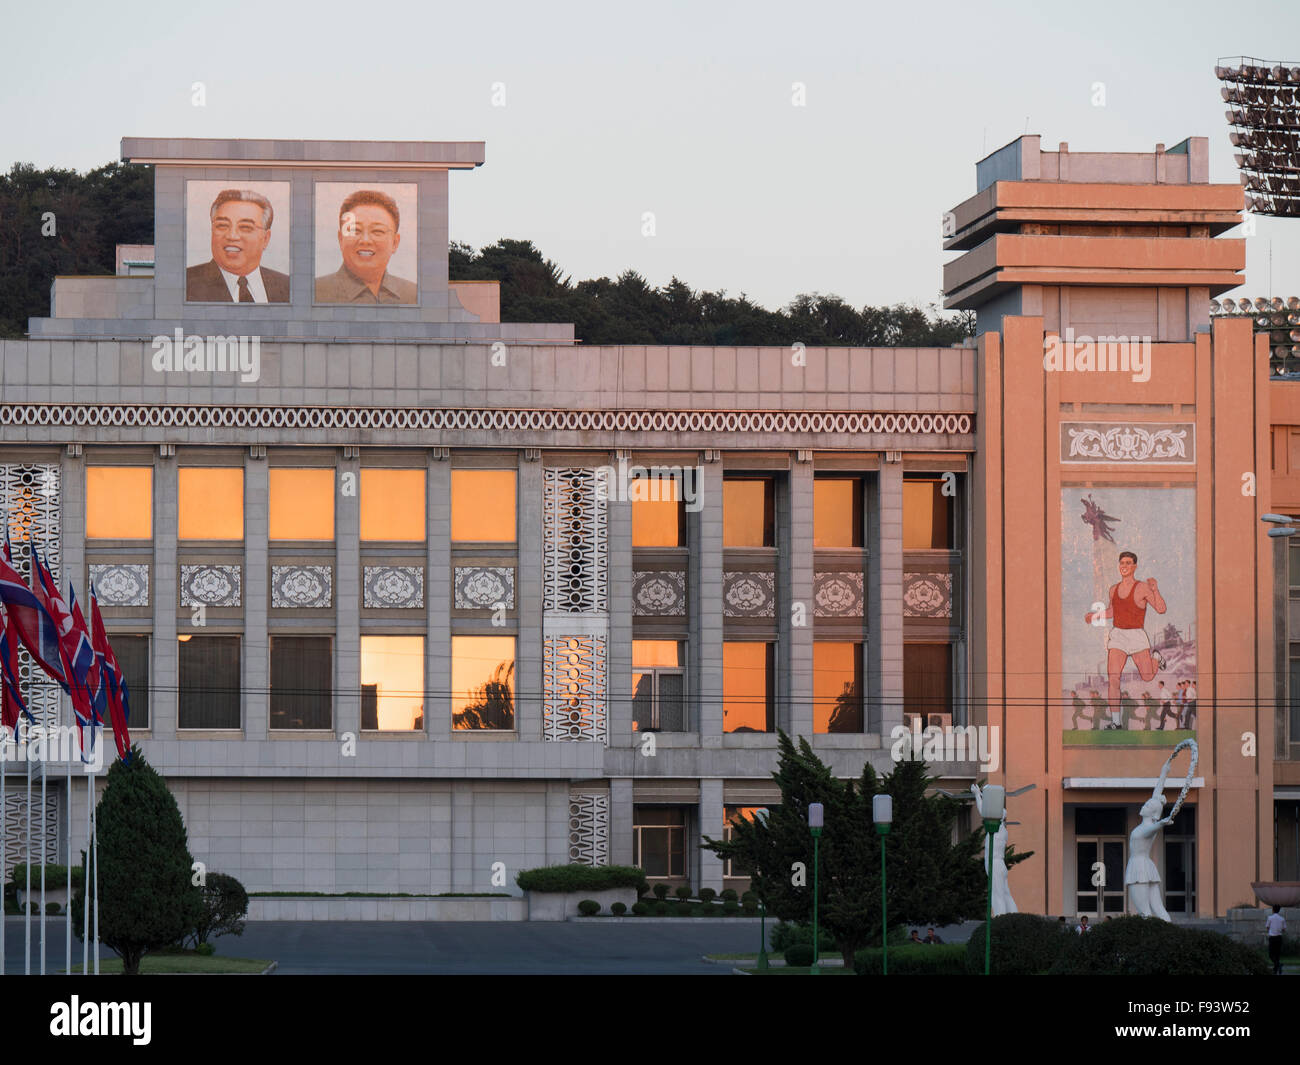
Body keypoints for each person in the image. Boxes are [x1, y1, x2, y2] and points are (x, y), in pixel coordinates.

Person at [1083, 551, 1167, 728]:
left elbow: (1160, 609)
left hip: (1136, 635)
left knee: (1147, 676)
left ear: (1135, 567)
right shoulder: (1113, 589)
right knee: (1113, 679)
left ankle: (1156, 659)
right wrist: (1095, 615)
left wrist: (1156, 590)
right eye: (1122, 562)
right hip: (1118, 636)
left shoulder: (1142, 587)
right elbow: (1113, 611)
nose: (1124, 566)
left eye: (1128, 563)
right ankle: (1116, 722)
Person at [187, 189, 290, 303]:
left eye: (245, 227)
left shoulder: (288, 287)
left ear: (265, 239)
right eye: (222, 225)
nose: (232, 236)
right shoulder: (185, 284)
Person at [315, 189, 416, 304]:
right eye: (355, 230)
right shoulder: (314, 293)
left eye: (377, 231)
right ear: (341, 238)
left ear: (395, 243)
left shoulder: (414, 295)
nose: (365, 240)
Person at [1127, 794, 1174, 921]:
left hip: (1139, 869)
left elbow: (1150, 830)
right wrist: (1164, 774)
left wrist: (1161, 824)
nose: (1144, 806)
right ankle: (1170, 934)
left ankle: (1153, 938)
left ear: (1152, 812)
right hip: (1145, 865)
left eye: (1147, 805)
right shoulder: (1150, 824)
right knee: (1158, 909)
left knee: (1145, 912)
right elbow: (1156, 794)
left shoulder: (1149, 828)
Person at [1266, 905, 1287, 976]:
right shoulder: (1282, 919)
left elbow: (1267, 927)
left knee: (1271, 954)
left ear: (1273, 910)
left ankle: (1277, 966)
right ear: (1279, 910)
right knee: (1277, 954)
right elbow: (1284, 929)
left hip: (1272, 938)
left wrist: (1271, 931)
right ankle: (1277, 968)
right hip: (1279, 938)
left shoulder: (1270, 918)